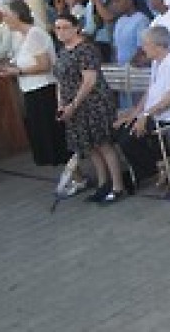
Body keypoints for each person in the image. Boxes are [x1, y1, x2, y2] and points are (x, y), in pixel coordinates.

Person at [51, 14, 125, 203]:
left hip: (93, 102)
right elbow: (60, 80)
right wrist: (61, 104)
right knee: (90, 147)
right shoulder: (62, 51)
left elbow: (89, 81)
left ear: (76, 28)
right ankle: (103, 184)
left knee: (103, 143)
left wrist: (74, 104)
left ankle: (117, 186)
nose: (60, 32)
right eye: (57, 28)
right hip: (72, 105)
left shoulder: (86, 49)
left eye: (65, 27)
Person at [112, 25, 170, 190]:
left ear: (157, 45)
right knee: (120, 129)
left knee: (129, 138)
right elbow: (150, 92)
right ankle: (160, 163)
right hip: (157, 112)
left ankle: (156, 167)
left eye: (145, 44)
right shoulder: (158, 62)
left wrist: (146, 115)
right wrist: (135, 113)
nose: (142, 48)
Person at [0, 0, 69, 167]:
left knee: (54, 135)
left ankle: (75, 173)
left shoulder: (34, 34)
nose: (4, 20)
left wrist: (19, 71)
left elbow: (44, 64)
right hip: (31, 90)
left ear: (16, 15)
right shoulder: (19, 36)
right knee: (43, 134)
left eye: (7, 16)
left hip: (44, 89)